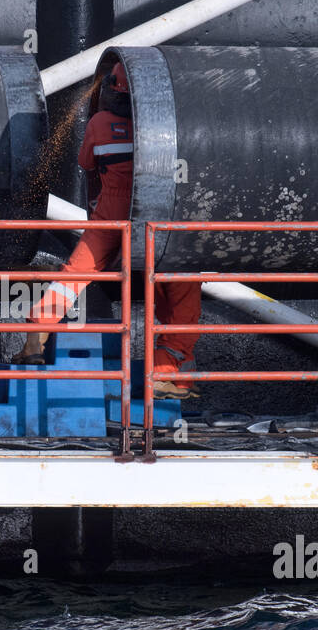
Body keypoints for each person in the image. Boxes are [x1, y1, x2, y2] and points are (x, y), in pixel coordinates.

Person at [13, 63, 203, 399]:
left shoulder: (99, 123)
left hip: (112, 212)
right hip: (161, 213)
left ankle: (34, 341)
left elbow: (86, 164)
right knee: (179, 287)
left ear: (112, 90)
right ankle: (165, 371)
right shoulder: (165, 124)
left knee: (73, 275)